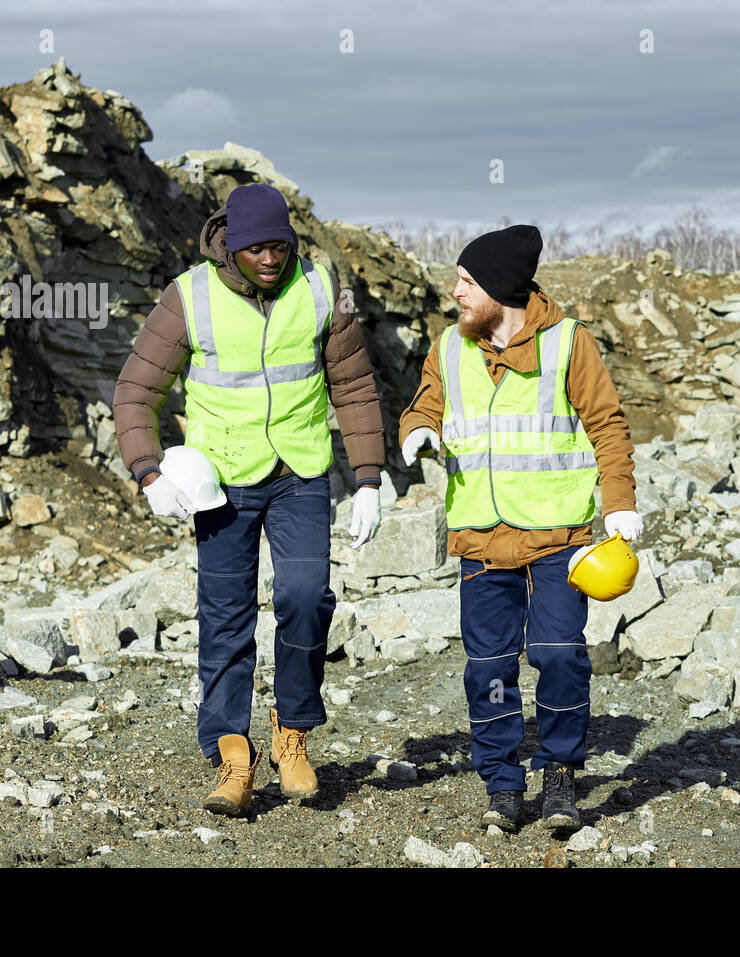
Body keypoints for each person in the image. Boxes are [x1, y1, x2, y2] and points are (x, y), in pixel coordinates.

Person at [115, 182, 386, 816]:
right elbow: (135, 392)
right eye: (256, 248)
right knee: (226, 616)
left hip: (301, 471)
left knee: (305, 597)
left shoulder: (320, 288)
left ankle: (291, 732)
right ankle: (232, 755)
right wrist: (148, 472)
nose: (269, 259)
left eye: (280, 246)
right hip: (223, 481)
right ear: (230, 246)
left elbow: (353, 385)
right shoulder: (188, 296)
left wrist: (369, 476)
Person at [398, 224, 642, 831]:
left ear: (499, 290)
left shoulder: (568, 344)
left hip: (558, 537)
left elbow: (606, 425)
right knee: (490, 669)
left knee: (559, 656)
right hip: (480, 539)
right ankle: (503, 786)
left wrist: (619, 502)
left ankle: (560, 773)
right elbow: (425, 402)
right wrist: (418, 430)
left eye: (466, 281)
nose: (454, 291)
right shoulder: (449, 347)